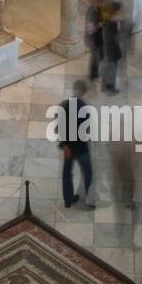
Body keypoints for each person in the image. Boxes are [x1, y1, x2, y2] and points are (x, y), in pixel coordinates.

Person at [58, 80, 95, 209]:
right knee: (88, 172)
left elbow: (59, 128)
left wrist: (65, 146)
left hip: (69, 148)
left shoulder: (64, 105)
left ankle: (68, 200)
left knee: (67, 173)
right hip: (81, 148)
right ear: (84, 92)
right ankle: (90, 200)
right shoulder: (84, 108)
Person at [100, 0, 124, 93]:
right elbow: (115, 37)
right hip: (112, 49)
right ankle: (111, 88)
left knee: (108, 67)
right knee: (112, 69)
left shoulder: (108, 20)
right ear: (117, 11)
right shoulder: (112, 23)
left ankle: (105, 84)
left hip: (108, 48)